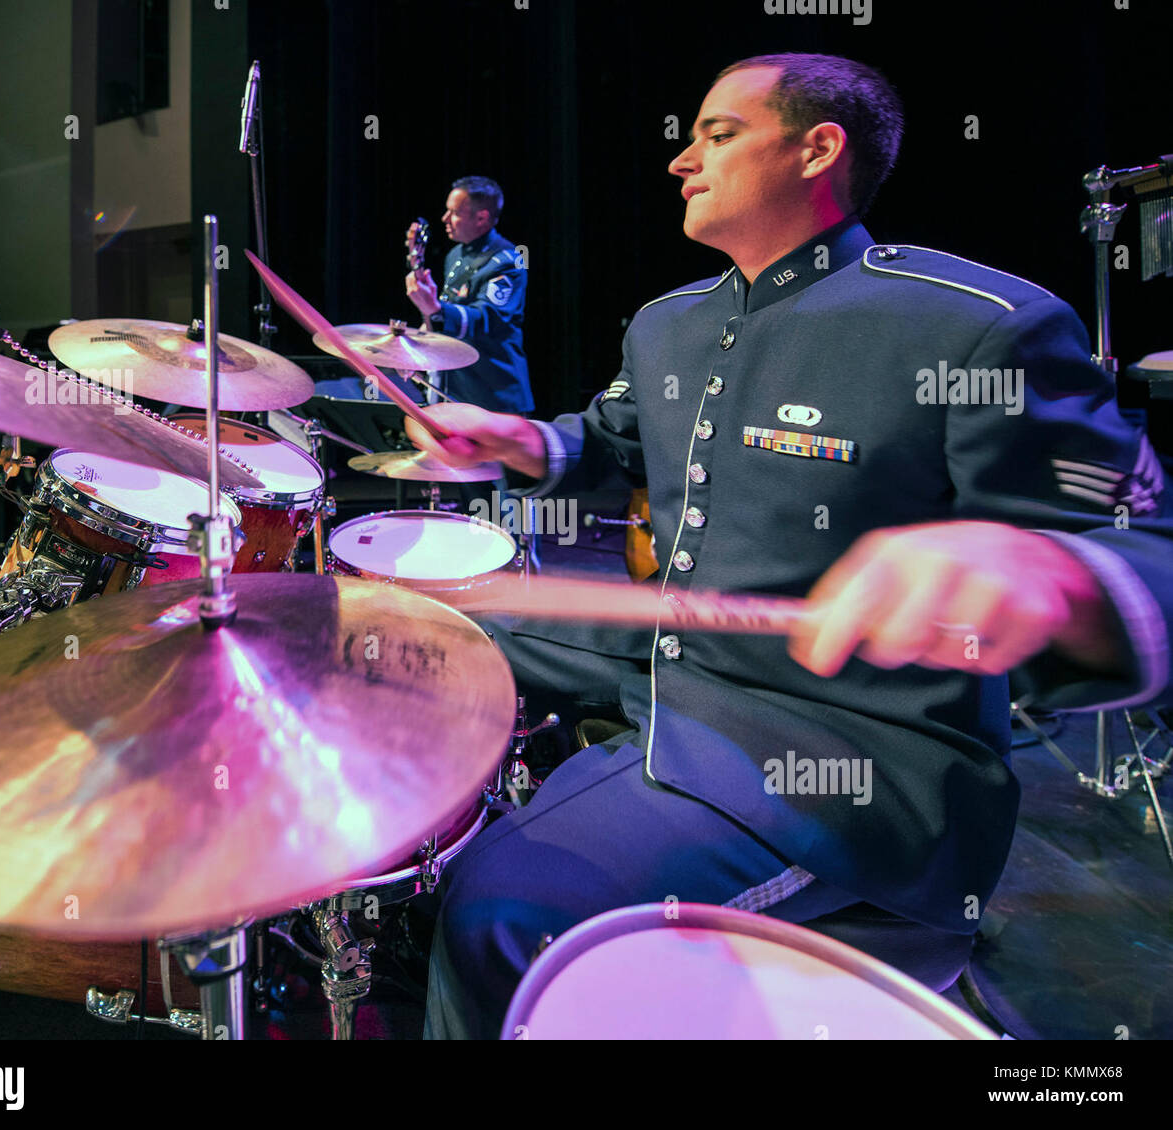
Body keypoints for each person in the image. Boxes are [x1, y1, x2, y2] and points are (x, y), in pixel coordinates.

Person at [403, 53, 1172, 1039]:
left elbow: (1144, 544)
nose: (682, 159)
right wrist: (527, 442)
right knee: (420, 641)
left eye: (717, 133)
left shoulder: (975, 327)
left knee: (502, 913)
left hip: (854, 754)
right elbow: (611, 441)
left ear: (818, 149)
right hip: (675, 659)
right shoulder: (667, 324)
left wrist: (1054, 571)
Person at [405, 176, 533, 415]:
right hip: (455, 390)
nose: (445, 218)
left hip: (492, 395)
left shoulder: (509, 260)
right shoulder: (455, 255)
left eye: (454, 212)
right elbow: (445, 316)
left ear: (481, 218)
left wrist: (436, 308)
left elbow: (487, 319)